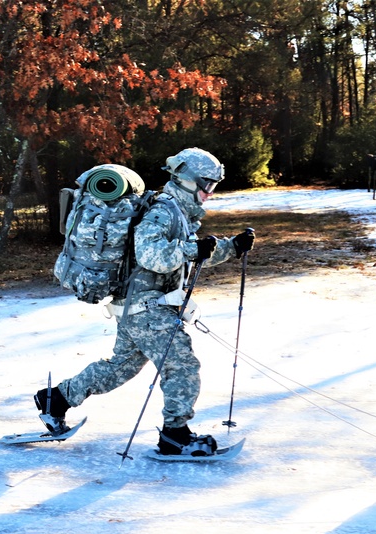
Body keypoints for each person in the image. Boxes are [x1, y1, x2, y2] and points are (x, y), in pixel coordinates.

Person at [35, 147, 255, 456]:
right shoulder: (163, 211)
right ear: (188, 180)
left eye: (214, 184)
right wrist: (194, 251)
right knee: (181, 366)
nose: (211, 191)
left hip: (138, 306)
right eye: (207, 183)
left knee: (120, 368)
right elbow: (152, 256)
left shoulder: (177, 211)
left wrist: (231, 247)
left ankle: (55, 399)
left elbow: (191, 249)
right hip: (148, 308)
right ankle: (175, 436)